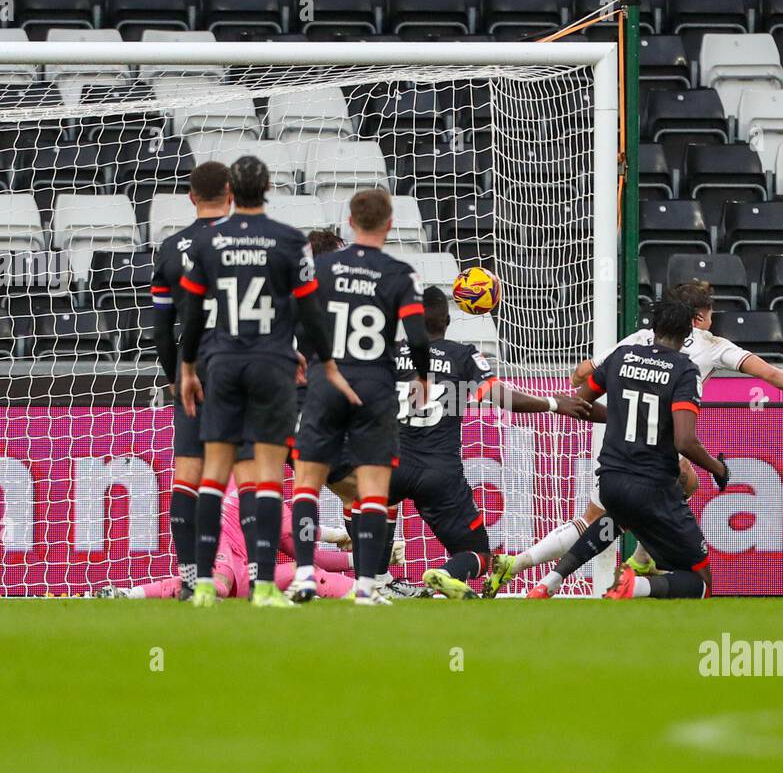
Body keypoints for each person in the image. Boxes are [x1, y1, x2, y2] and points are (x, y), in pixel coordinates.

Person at [486, 277, 783, 596]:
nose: (711, 321)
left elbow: (583, 374)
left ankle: (607, 565)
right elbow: (771, 374)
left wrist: (585, 399)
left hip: (621, 446)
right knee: (624, 511)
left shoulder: (637, 341)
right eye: (710, 314)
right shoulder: (709, 346)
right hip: (655, 452)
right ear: (697, 319)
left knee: (666, 492)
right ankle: (620, 569)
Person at [177, 155, 356, 609]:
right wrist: (316, 358)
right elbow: (306, 309)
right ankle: (260, 587)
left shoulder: (211, 241)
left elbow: (195, 312)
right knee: (267, 477)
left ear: (231, 193)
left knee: (215, 473)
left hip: (221, 361)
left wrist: (188, 368)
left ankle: (201, 581)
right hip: (269, 364)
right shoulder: (287, 241)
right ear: (269, 187)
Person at [384, 286, 588, 599]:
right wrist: (553, 403)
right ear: (448, 320)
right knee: (478, 554)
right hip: (440, 474)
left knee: (367, 506)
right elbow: (502, 397)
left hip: (391, 466)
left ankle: (374, 580)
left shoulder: (391, 353)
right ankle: (444, 574)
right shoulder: (462, 355)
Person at [289, 189, 433, 605]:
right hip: (374, 384)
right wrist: (421, 376)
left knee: (306, 485)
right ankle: (368, 587)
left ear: (350, 223)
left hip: (326, 380)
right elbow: (418, 335)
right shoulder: (400, 273)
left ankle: (303, 576)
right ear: (389, 225)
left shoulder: (320, 267)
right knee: (373, 491)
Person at [556, 296, 730, 600]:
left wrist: (617, 417)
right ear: (687, 335)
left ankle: (550, 579)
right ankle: (635, 585)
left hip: (611, 479)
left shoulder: (623, 355)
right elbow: (684, 441)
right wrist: (718, 468)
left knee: (617, 518)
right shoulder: (684, 369)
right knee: (702, 584)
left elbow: (579, 403)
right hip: (654, 487)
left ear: (652, 327)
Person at [147, 160, 232, 600]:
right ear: (231, 195)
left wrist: (176, 375)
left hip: (195, 370)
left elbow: (161, 328)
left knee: (188, 476)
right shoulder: (250, 244)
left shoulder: (170, 248)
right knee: (257, 476)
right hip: (246, 367)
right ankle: (258, 575)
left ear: (191, 196)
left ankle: (191, 578)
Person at [98, 481, 356, 600]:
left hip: (244, 577)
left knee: (308, 572)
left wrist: (360, 558)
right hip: (218, 549)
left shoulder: (271, 501)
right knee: (217, 581)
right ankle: (129, 594)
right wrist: (338, 534)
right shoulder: (229, 481)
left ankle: (366, 593)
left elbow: (309, 555)